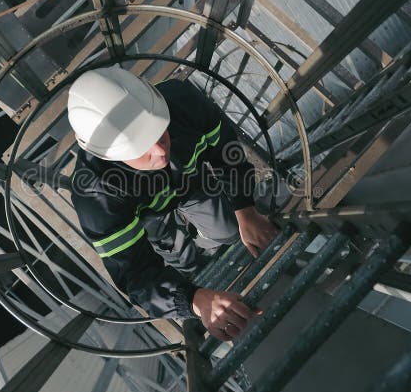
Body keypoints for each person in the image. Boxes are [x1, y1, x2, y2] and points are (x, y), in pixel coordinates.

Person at [68, 66, 279, 341]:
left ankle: (199, 244)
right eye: (140, 149)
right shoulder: (96, 194)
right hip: (148, 214)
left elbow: (226, 152)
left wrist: (245, 210)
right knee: (179, 259)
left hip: (189, 184)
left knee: (228, 230)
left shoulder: (182, 102)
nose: (160, 151)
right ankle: (182, 258)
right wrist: (194, 299)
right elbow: (134, 273)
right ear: (108, 157)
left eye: (159, 132)